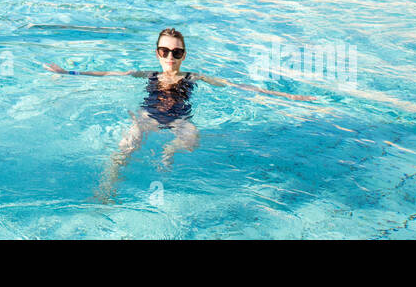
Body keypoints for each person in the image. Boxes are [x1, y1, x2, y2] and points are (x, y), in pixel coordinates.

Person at [45, 28, 314, 199]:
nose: (170, 57)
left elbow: (238, 85)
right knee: (124, 148)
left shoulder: (193, 76)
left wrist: (289, 97)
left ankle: (169, 150)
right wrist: (68, 72)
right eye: (165, 51)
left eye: (176, 52)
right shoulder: (147, 74)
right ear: (158, 53)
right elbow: (108, 73)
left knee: (191, 140)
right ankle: (105, 191)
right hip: (147, 116)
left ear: (183, 55)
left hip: (179, 119)